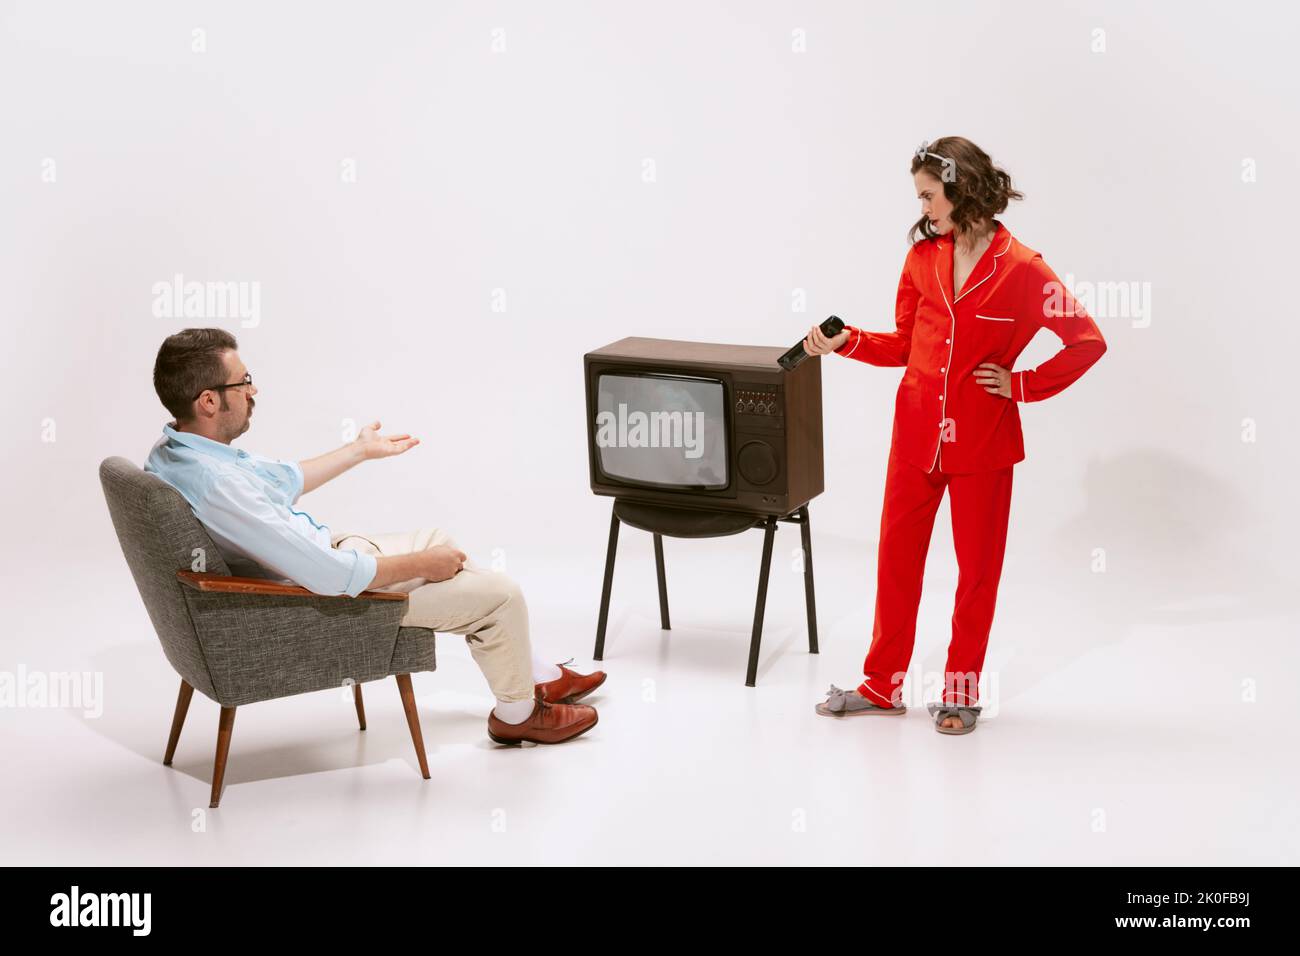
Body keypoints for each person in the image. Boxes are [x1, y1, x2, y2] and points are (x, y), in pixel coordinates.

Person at [143, 327, 604, 745]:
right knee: (502, 595)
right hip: (325, 599)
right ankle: (518, 714)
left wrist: (360, 451)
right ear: (208, 401)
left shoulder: (179, 451)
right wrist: (424, 567)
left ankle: (533, 674)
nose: (253, 390)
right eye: (243, 382)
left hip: (326, 560)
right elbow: (326, 575)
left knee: (440, 538)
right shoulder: (218, 484)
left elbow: (283, 480)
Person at [805, 137, 1107, 735]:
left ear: (960, 187)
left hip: (983, 445)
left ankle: (961, 692)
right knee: (896, 562)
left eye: (928, 195)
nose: (923, 208)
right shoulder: (922, 260)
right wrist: (848, 343)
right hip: (915, 437)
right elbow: (902, 344)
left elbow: (1088, 340)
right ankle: (882, 686)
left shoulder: (1023, 269)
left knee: (976, 574)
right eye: (919, 197)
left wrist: (1022, 385)